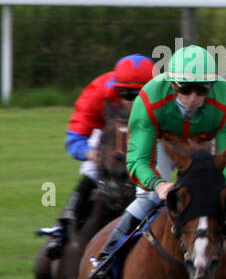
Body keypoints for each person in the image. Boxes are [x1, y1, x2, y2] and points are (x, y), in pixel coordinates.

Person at [88, 45, 226, 279]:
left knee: (222, 203)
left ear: (212, 86)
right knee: (147, 199)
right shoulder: (150, 97)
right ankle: (108, 258)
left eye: (201, 89)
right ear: (173, 85)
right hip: (163, 141)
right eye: (185, 88)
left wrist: (213, 187)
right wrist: (159, 185)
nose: (193, 97)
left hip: (207, 144)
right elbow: (138, 160)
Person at [39, 54, 153, 259]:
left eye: (139, 94)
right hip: (107, 135)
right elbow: (75, 137)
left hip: (150, 135)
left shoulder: (165, 95)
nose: (132, 100)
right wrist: (90, 153)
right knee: (91, 170)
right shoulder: (97, 92)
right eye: (126, 94)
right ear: (115, 88)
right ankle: (64, 226)